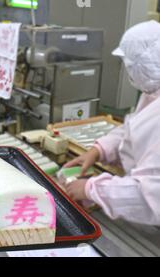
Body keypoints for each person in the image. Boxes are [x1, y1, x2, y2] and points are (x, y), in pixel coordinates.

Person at [64, 20, 160, 226]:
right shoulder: (153, 92)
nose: (128, 73)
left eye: (129, 66)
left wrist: (91, 189)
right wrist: (99, 150)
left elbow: (150, 196)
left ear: (144, 66)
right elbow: (133, 129)